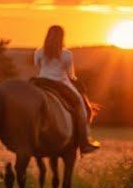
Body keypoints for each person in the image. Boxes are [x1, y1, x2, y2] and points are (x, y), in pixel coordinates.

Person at [34, 25, 99, 153]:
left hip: (41, 82)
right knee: (80, 104)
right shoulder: (67, 54)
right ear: (62, 37)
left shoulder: (38, 52)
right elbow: (71, 75)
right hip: (61, 83)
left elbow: (38, 66)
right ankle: (84, 141)